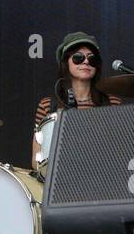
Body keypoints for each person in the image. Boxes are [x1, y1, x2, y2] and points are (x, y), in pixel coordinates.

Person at [31, 31, 119, 168]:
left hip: (103, 171)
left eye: (92, 59)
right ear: (66, 62)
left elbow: (119, 151)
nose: (86, 62)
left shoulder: (113, 103)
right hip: (61, 174)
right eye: (78, 57)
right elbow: (37, 160)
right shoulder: (47, 105)